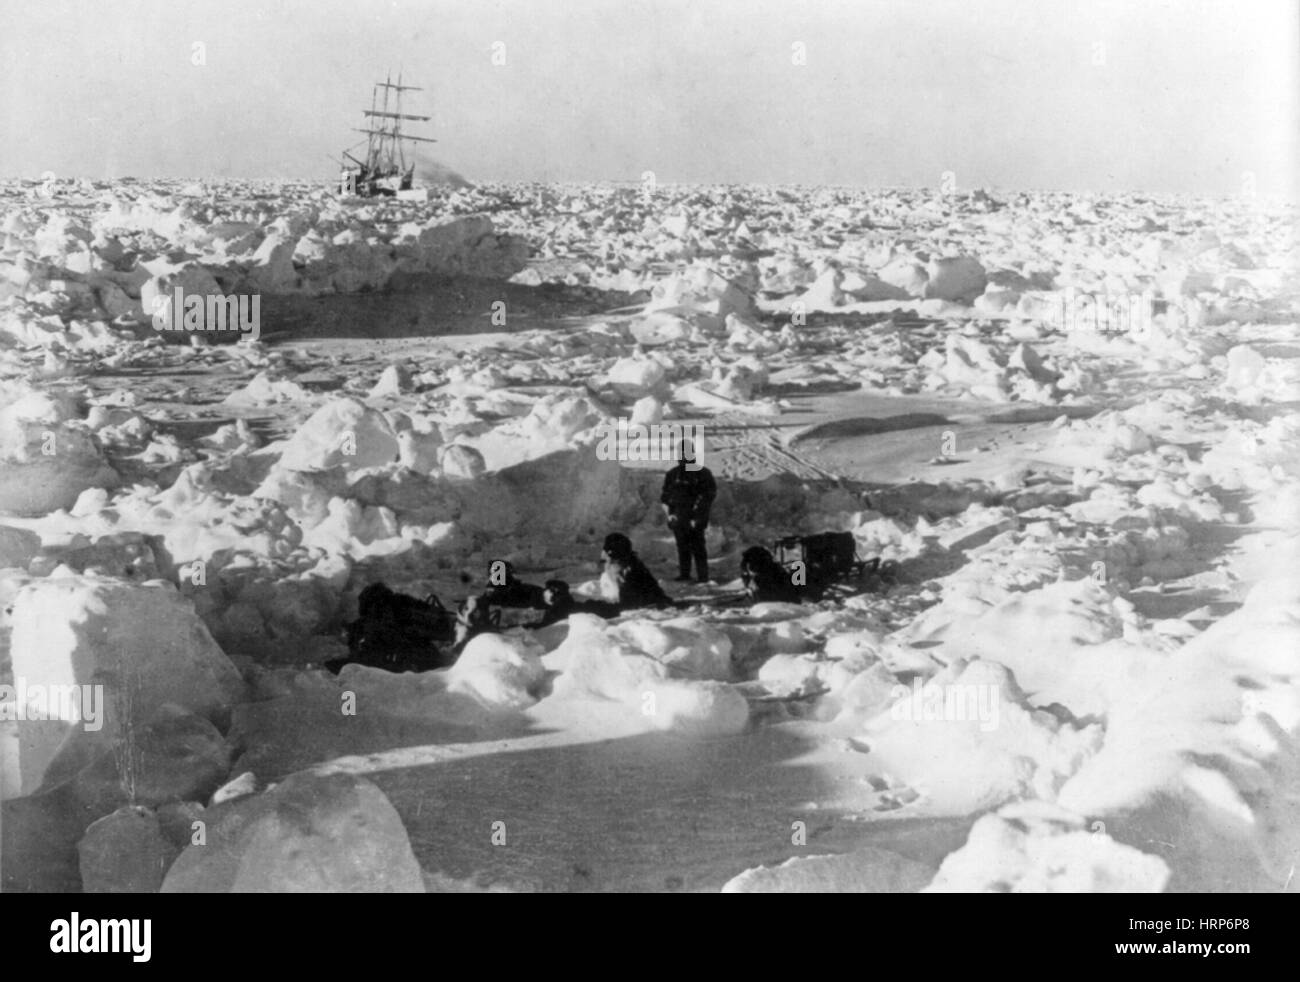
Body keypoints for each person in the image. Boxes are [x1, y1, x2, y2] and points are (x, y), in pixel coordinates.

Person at [660, 438, 717, 582]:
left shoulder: (702, 473)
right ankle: (685, 574)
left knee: (698, 547)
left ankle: (703, 577)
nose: (683, 456)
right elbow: (665, 496)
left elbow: (707, 496)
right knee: (682, 547)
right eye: (681, 453)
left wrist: (698, 515)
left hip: (696, 518)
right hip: (679, 517)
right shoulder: (672, 474)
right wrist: (670, 514)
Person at [599, 532, 670, 608]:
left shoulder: (630, 569)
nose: (607, 555)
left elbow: (628, 598)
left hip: (643, 604)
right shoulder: (621, 564)